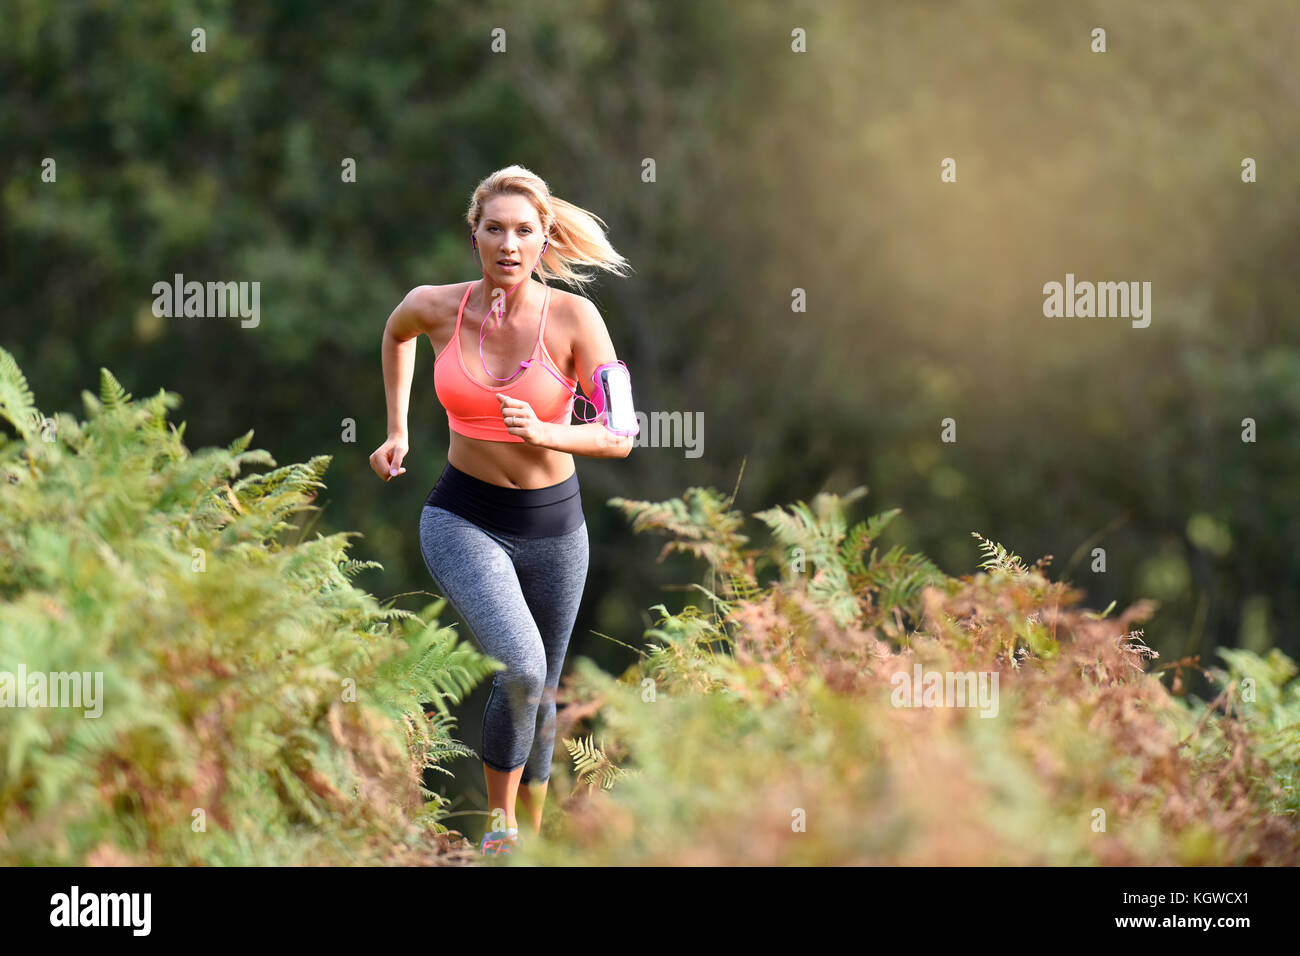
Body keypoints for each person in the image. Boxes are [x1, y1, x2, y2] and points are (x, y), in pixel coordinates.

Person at [369, 165, 636, 856]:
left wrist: (547, 431)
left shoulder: (577, 318)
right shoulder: (438, 306)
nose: (508, 244)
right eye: (495, 229)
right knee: (519, 669)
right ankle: (500, 829)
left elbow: (621, 431)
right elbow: (396, 333)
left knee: (541, 694)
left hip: (555, 530)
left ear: (545, 238)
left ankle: (534, 847)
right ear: (475, 235)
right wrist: (397, 428)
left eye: (524, 231)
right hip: (462, 517)